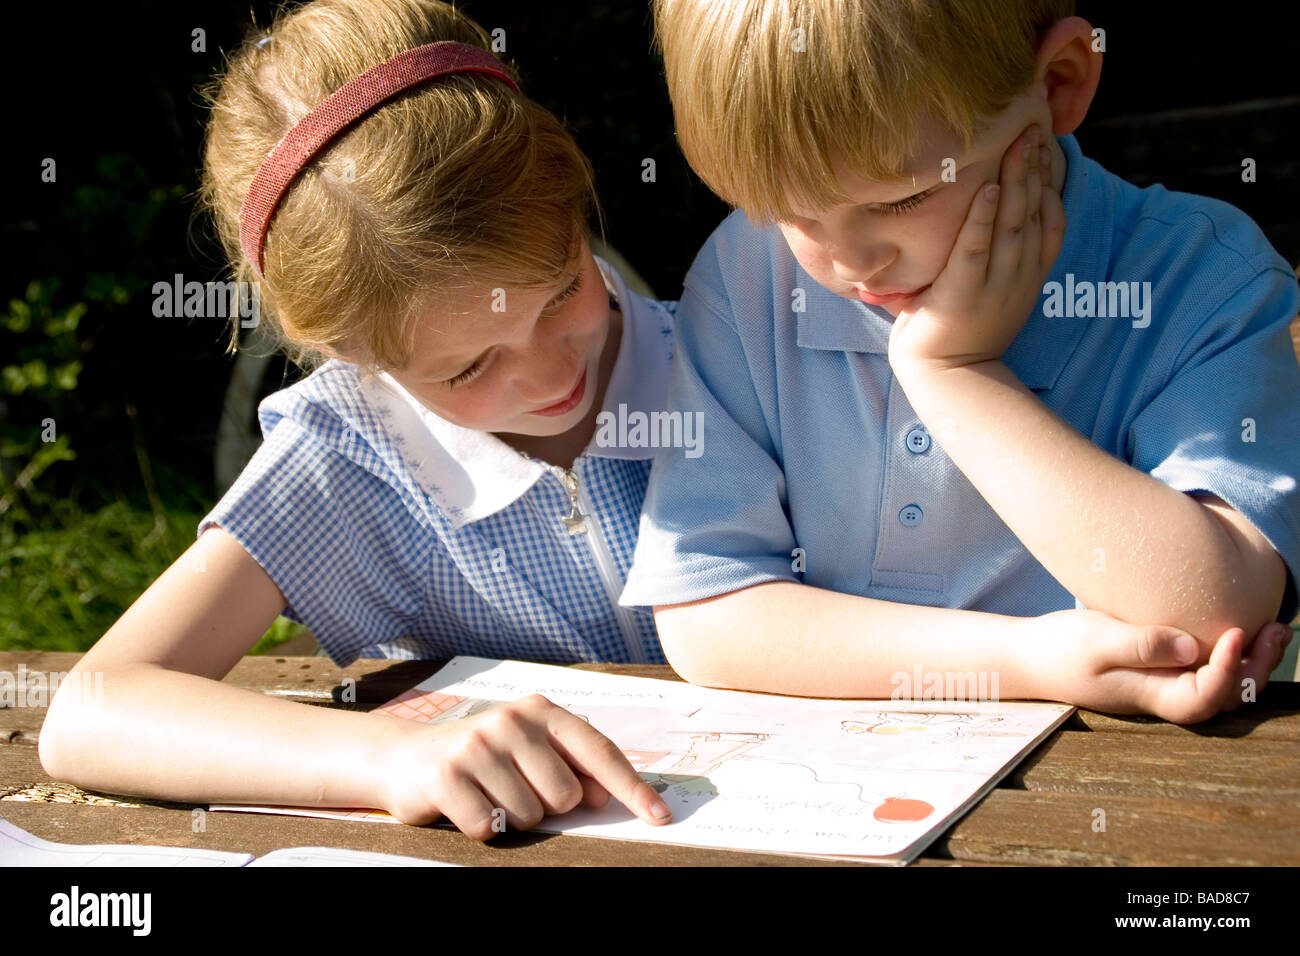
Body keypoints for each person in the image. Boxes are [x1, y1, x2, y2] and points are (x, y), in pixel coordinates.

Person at [39, 0, 677, 839]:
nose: (555, 371)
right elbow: (93, 710)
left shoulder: (729, 354)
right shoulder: (353, 454)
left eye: (563, 289)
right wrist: (389, 758)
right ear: (350, 354)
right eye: (469, 366)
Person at [621, 0, 1300, 724]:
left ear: (1060, 84)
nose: (852, 261)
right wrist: (1034, 661)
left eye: (905, 196)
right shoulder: (744, 275)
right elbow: (705, 612)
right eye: (796, 214)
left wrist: (957, 377)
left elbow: (1212, 616)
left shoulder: (1200, 278)